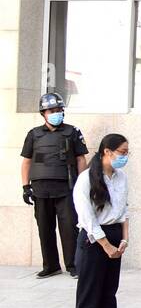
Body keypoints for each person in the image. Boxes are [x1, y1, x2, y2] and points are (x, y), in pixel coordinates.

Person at [71, 134, 130, 308]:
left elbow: (124, 209)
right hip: (93, 241)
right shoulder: (86, 179)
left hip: (115, 237)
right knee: (89, 295)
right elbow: (87, 218)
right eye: (122, 152)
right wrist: (106, 246)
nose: (125, 157)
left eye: (127, 152)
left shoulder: (121, 177)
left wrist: (124, 239)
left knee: (108, 294)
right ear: (107, 151)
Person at [20, 92, 89, 278]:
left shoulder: (72, 131)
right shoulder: (34, 134)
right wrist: (25, 187)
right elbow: (27, 161)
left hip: (66, 188)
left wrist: (82, 184)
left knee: (69, 228)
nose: (56, 113)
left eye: (59, 110)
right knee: (45, 228)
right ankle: (51, 266)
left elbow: (81, 159)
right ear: (43, 113)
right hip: (41, 189)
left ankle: (74, 265)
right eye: (52, 110)